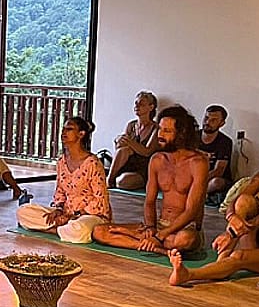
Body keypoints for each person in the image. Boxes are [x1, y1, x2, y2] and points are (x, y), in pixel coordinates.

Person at [168, 129, 259, 286]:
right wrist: (232, 218)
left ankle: (188, 274)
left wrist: (230, 234)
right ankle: (221, 262)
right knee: (244, 201)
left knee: (238, 257)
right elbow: (235, 202)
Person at [93, 106, 208, 253]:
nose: (160, 134)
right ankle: (158, 249)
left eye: (167, 131)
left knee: (184, 240)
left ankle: (146, 241)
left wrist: (160, 236)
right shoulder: (157, 160)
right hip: (159, 226)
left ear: (181, 134)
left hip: (186, 228)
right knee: (99, 231)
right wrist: (150, 227)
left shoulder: (198, 163)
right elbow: (149, 201)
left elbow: (191, 211)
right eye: (160, 129)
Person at [17, 117, 110, 243]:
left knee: (78, 229)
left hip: (89, 216)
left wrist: (74, 216)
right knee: (23, 212)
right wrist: (59, 210)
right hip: (66, 214)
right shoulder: (62, 161)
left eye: (69, 129)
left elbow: (100, 201)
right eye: (63, 129)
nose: (64, 132)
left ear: (81, 134)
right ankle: (62, 230)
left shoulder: (93, 163)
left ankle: (55, 230)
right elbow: (60, 191)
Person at [106, 90, 161, 191]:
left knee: (122, 182)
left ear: (151, 107)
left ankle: (115, 180)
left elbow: (147, 152)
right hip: (128, 164)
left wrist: (128, 141)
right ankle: (109, 179)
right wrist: (119, 141)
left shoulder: (156, 128)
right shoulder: (131, 125)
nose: (137, 106)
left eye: (141, 104)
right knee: (124, 150)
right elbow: (121, 149)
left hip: (143, 168)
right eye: (136, 103)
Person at [199, 105, 233, 199]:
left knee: (216, 182)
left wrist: (198, 180)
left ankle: (197, 194)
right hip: (194, 175)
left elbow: (219, 170)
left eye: (213, 120)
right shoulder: (193, 136)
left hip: (212, 179)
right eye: (206, 118)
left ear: (222, 123)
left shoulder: (225, 142)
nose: (207, 122)